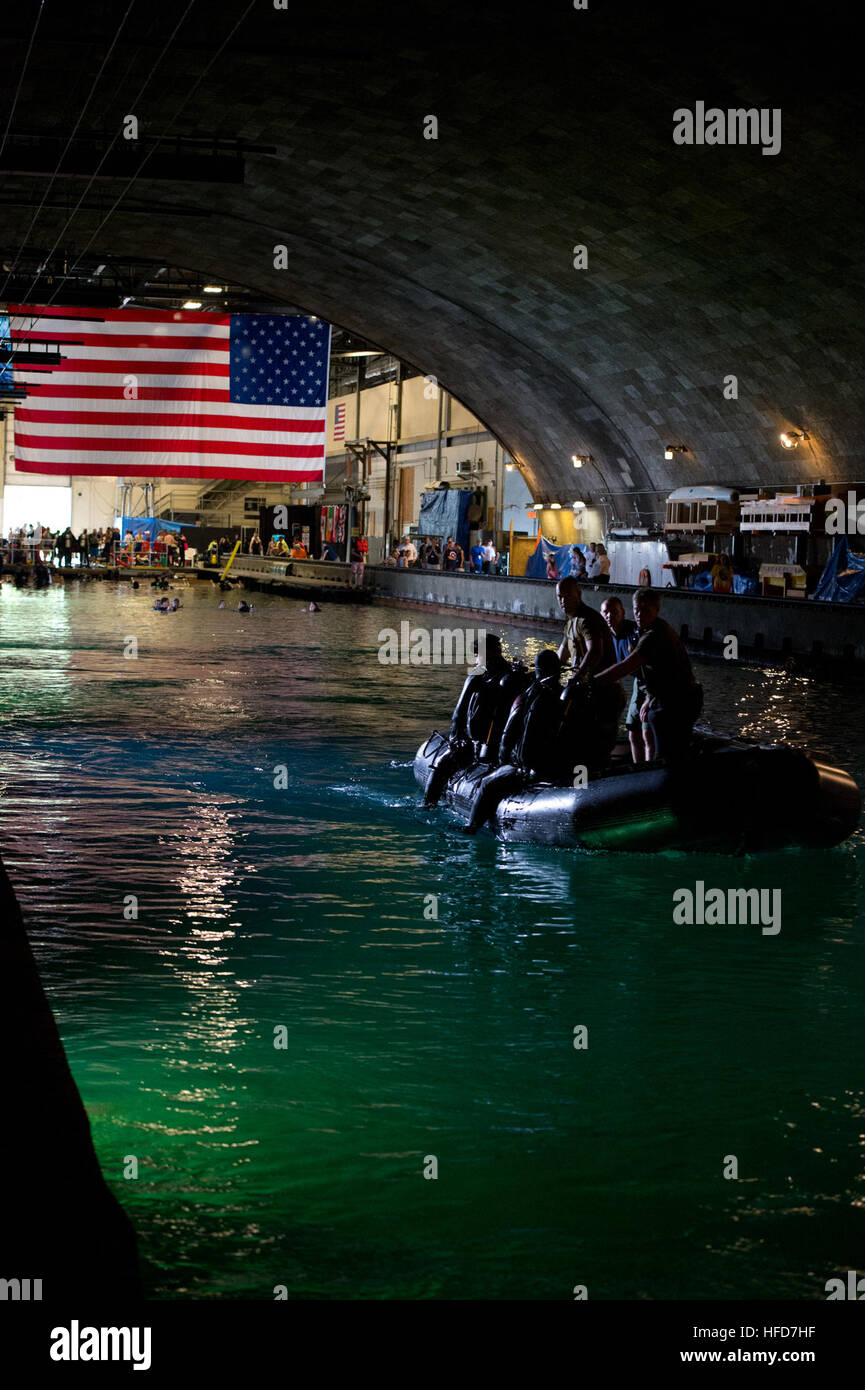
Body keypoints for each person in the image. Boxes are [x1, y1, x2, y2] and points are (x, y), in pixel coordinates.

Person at [461, 650, 567, 834]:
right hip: (558, 766)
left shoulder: (529, 696)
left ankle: (471, 827)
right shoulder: (564, 696)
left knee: (487, 784)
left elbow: (510, 734)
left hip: (528, 767)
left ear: (538, 670)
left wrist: (507, 763)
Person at [591, 588, 703, 762]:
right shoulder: (651, 629)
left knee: (664, 753)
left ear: (656, 610)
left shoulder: (653, 635)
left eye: (646, 610)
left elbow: (626, 666)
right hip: (669, 696)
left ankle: (651, 777)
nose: (639, 615)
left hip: (677, 701)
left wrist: (591, 682)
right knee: (663, 748)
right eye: (637, 609)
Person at [423, 636, 527, 807]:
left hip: (478, 746)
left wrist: (455, 740)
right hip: (506, 748)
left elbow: (459, 712)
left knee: (442, 763)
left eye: (476, 653)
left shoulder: (479, 675)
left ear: (481, 653)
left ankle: (427, 804)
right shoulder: (514, 675)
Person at [556, 576, 625, 769]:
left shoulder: (587, 620)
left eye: (567, 596)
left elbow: (595, 651)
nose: (563, 600)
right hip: (586, 694)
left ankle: (598, 783)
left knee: (598, 744)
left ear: (578, 594)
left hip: (604, 693)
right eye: (559, 596)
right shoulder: (570, 623)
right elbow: (561, 656)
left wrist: (577, 678)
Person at [601, 595, 653, 763]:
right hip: (640, 682)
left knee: (647, 732)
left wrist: (650, 698)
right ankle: (638, 770)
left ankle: (649, 772)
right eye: (605, 613)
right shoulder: (606, 637)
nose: (609, 616)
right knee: (633, 730)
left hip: (653, 681)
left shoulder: (635, 634)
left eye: (614, 612)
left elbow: (650, 669)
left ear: (622, 613)